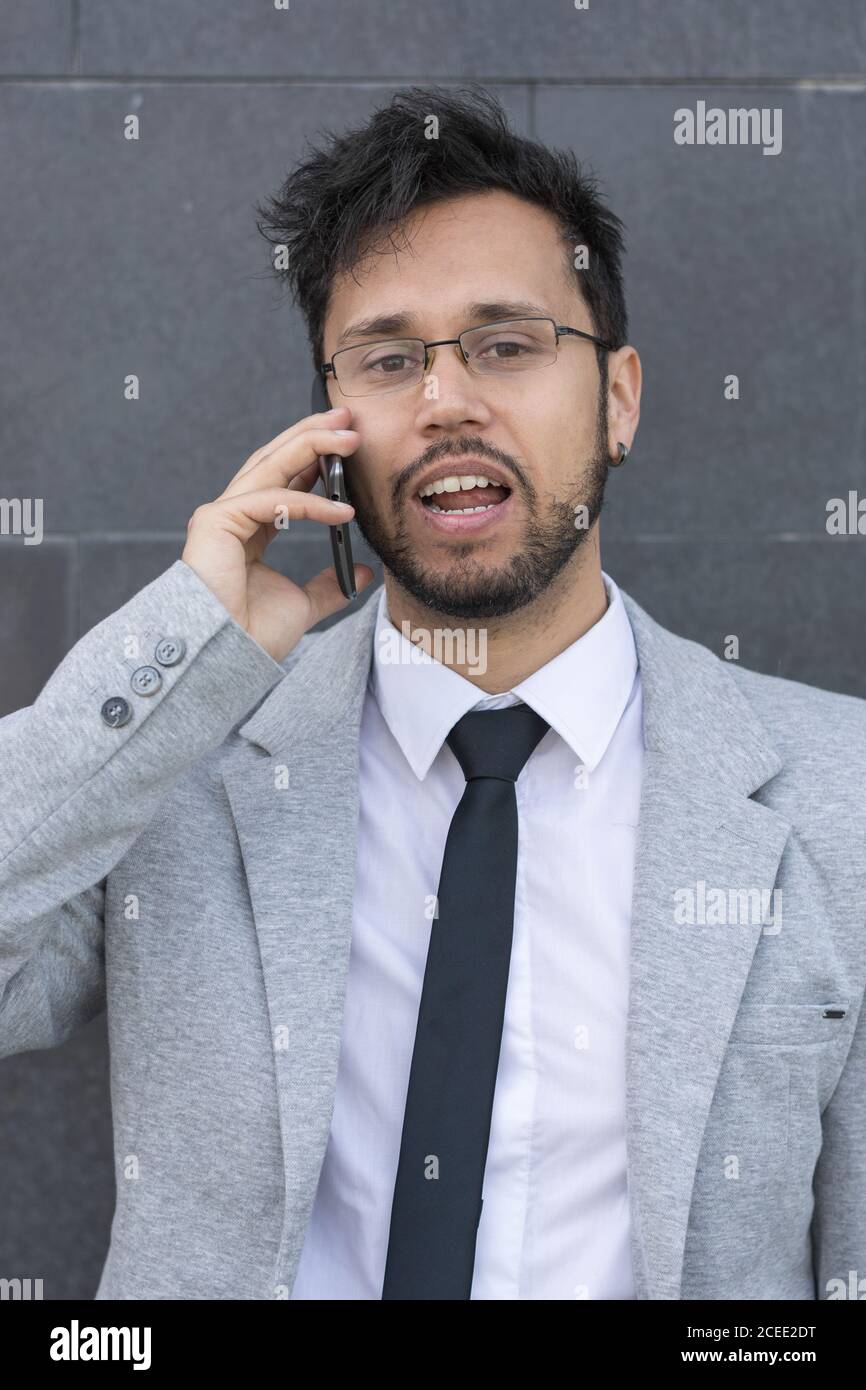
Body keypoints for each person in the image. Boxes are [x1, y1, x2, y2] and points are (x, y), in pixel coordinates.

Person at [1, 85, 864, 1301]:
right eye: (390, 358)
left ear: (617, 397)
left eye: (507, 345)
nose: (445, 401)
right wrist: (187, 643)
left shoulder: (840, 798)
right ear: (331, 423)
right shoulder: (186, 756)